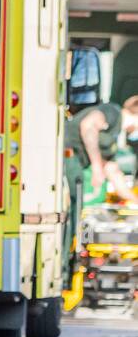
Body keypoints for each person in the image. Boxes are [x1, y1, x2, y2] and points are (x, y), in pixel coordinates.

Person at [63, 95, 138, 280]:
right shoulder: (113, 112)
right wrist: (96, 166)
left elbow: (113, 172)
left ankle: (66, 270)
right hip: (67, 158)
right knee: (72, 215)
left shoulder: (114, 138)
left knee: (75, 215)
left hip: (76, 164)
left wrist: (134, 201)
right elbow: (88, 126)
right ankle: (63, 270)